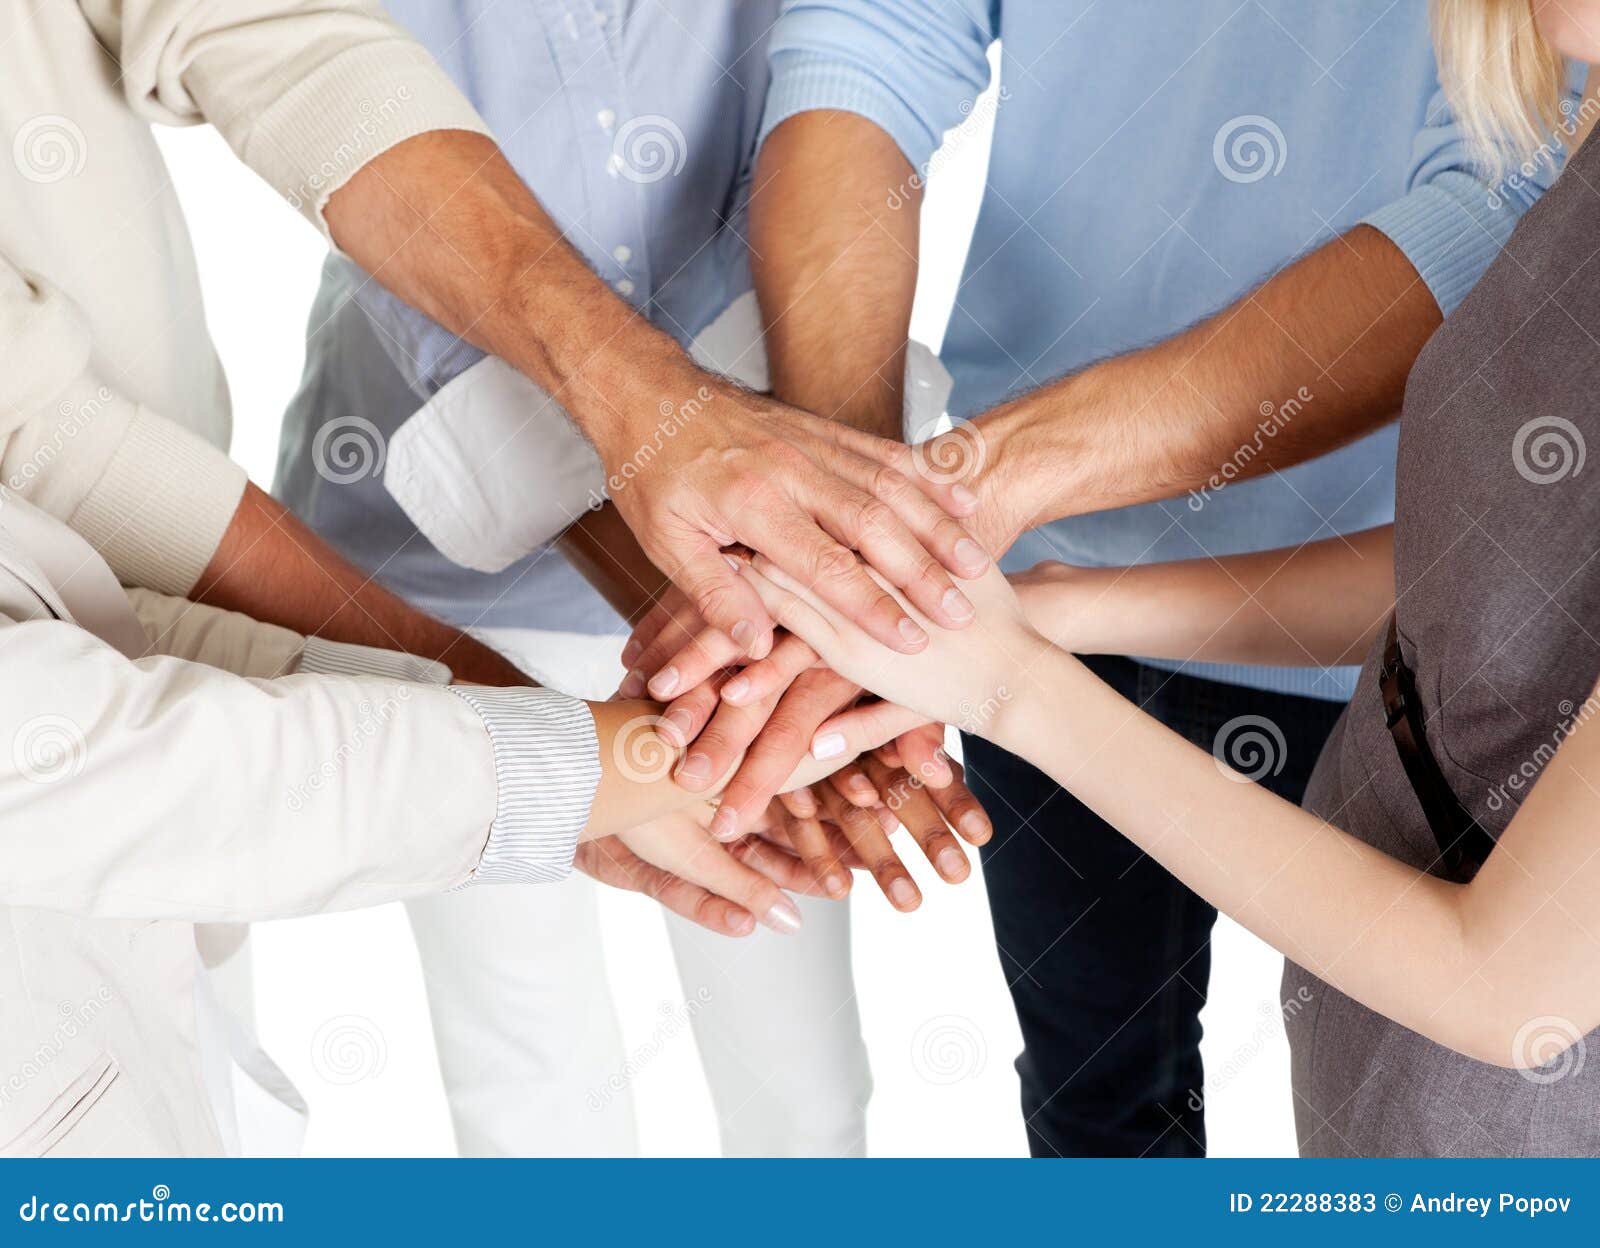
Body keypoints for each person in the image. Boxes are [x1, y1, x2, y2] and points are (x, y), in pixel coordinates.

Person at [631, 0, 1577, 1156]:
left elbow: (1501, 185)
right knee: (1102, 1098)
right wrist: (878, 550)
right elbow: (870, 41)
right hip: (1027, 593)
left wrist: (898, 542)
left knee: (1413, 1106)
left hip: (1407, 636)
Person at [276, 0, 965, 1156]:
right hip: (459, 585)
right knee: (527, 1067)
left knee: (798, 1072)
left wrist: (805, 624)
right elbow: (407, 243)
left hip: (752, 580)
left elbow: (840, 129)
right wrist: (752, 638)